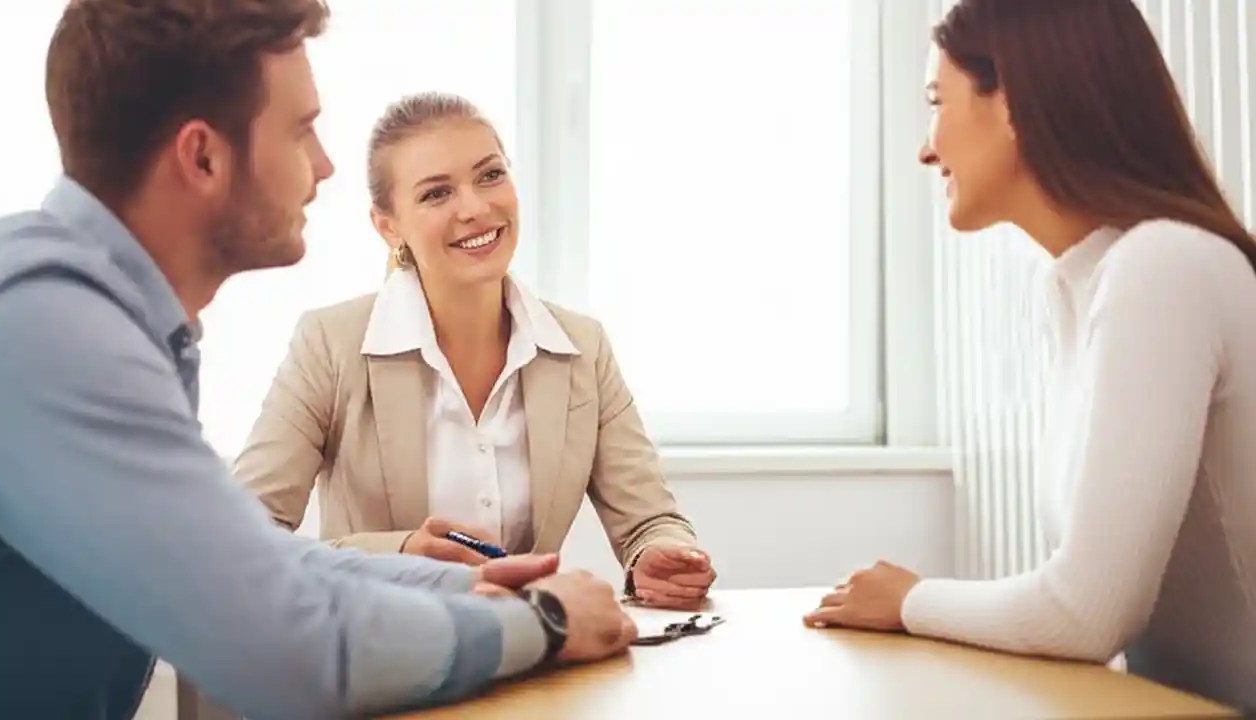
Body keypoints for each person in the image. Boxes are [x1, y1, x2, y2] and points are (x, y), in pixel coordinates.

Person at [0, 3, 637, 719]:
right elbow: (284, 647)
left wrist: (452, 588)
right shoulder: (43, 325)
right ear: (202, 157)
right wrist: (543, 624)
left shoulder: (86, 311)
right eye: (301, 131)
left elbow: (243, 565)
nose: (322, 167)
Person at [803, 0, 1256, 711]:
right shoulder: (1083, 286)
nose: (926, 148)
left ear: (1011, 100)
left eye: (936, 102)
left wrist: (913, 600)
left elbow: (1087, 611)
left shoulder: (1163, 267)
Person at [235, 91, 717, 611]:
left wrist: (658, 554)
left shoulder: (582, 347)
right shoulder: (329, 344)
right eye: (436, 194)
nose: (475, 208)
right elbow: (240, 536)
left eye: (490, 175)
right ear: (388, 225)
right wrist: (398, 554)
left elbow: (649, 520)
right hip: (380, 660)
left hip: (532, 659)